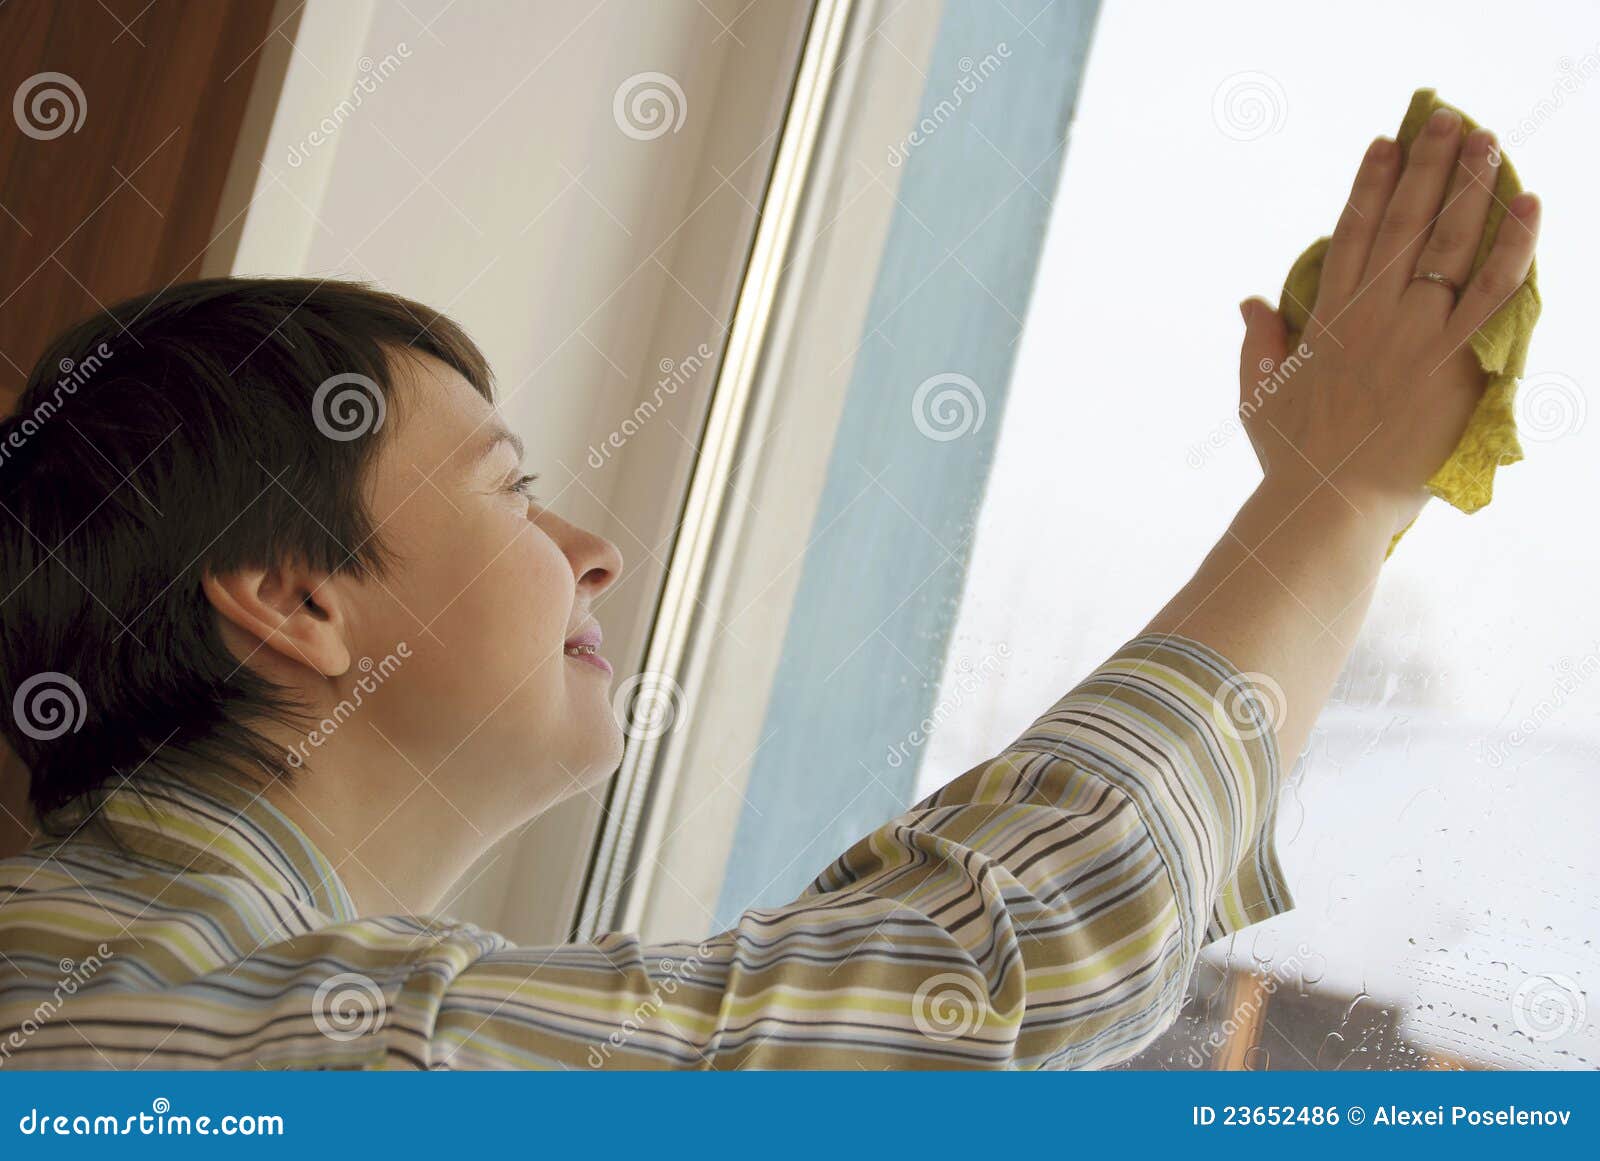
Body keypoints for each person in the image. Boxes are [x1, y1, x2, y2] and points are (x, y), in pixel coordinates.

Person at [0, 110, 1538, 1069]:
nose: (591, 549)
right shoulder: (144, 1038)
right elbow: (967, 994)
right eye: (510, 486)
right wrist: (1328, 501)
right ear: (292, 597)